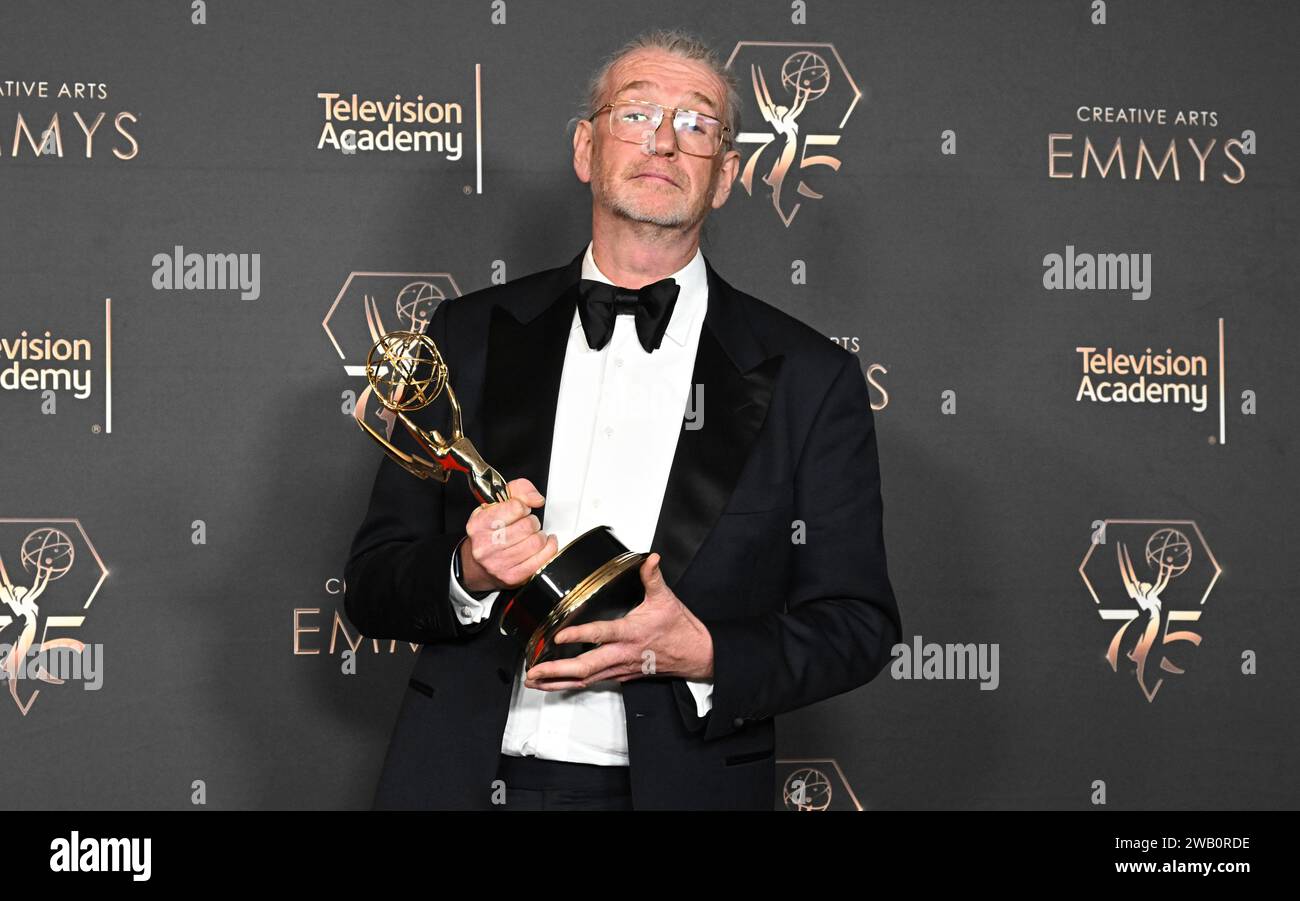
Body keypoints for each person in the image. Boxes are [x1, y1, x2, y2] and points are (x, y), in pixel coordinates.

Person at [343, 28, 901, 811]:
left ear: (727, 175)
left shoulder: (811, 378)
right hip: (462, 783)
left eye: (697, 124)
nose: (665, 141)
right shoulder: (466, 337)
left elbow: (857, 624)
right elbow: (370, 585)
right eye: (636, 113)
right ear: (586, 149)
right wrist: (464, 574)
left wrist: (705, 652)